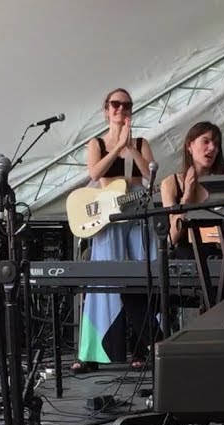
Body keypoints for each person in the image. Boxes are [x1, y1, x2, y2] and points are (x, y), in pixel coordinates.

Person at [70, 88, 159, 374]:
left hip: (137, 213)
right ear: (106, 110)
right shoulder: (96, 142)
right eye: (115, 104)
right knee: (105, 280)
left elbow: (150, 177)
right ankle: (94, 352)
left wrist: (130, 147)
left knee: (144, 276)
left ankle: (145, 347)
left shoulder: (141, 143)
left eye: (126, 105)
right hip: (109, 218)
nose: (121, 109)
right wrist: (118, 145)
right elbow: (95, 174)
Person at [161, 121, 224, 257]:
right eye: (206, 142)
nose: (212, 148)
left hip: (222, 255)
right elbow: (172, 238)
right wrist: (187, 196)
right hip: (186, 257)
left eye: (216, 144)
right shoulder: (171, 183)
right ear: (189, 146)